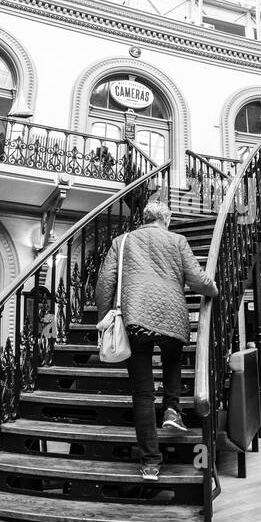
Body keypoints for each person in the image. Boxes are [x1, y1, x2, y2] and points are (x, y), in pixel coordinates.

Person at [95, 200, 218, 480]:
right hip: (172, 315)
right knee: (172, 358)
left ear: (145, 218)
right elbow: (197, 278)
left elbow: (105, 283)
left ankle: (151, 462)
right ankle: (172, 409)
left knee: (142, 394)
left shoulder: (122, 241)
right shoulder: (177, 240)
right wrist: (213, 289)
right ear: (167, 218)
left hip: (134, 316)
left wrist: (105, 320)